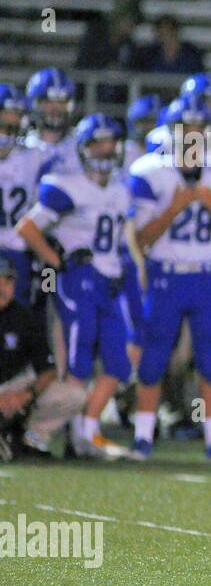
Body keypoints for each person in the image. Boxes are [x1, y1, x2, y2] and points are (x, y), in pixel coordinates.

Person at [125, 94, 211, 463]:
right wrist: (174, 209)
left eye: (199, 130)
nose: (193, 138)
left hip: (207, 276)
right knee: (153, 356)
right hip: (165, 275)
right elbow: (141, 239)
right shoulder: (149, 171)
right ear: (172, 133)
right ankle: (143, 437)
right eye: (185, 130)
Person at [16, 115, 134, 459]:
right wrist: (57, 260)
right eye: (98, 142)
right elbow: (28, 228)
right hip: (78, 280)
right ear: (83, 148)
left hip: (110, 281)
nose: (106, 148)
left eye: (111, 141)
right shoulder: (66, 185)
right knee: (78, 364)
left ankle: (87, 434)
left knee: (118, 365)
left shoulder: (119, 187)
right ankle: (47, 436)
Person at [0, 256, 84, 460]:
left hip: (13, 387)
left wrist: (24, 395)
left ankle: (30, 439)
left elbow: (48, 370)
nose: (3, 287)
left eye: (8, 281)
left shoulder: (25, 317)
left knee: (74, 396)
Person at [0, 85, 52, 305]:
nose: (6, 134)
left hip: (20, 251)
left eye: (12, 126)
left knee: (23, 317)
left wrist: (48, 276)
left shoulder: (35, 157)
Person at [24, 68, 80, 177]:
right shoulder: (24, 148)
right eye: (48, 102)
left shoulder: (83, 145)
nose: (55, 109)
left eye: (61, 102)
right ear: (35, 104)